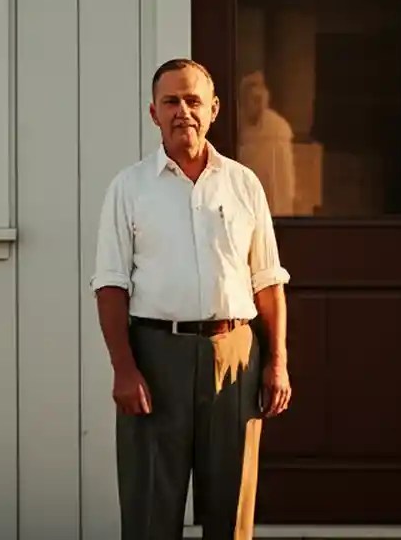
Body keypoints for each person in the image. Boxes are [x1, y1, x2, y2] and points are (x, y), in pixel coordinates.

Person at [90, 57, 292, 540]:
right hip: (156, 357)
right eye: (171, 101)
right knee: (151, 506)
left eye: (193, 100)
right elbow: (111, 284)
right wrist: (123, 367)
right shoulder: (129, 188)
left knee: (231, 506)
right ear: (153, 112)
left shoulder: (244, 184)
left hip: (236, 357)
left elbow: (267, 280)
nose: (183, 110)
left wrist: (277, 362)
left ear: (215, 109)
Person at [237, 70, 297, 217]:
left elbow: (282, 176)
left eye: (258, 99)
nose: (255, 103)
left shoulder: (276, 129)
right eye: (251, 99)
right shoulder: (242, 126)